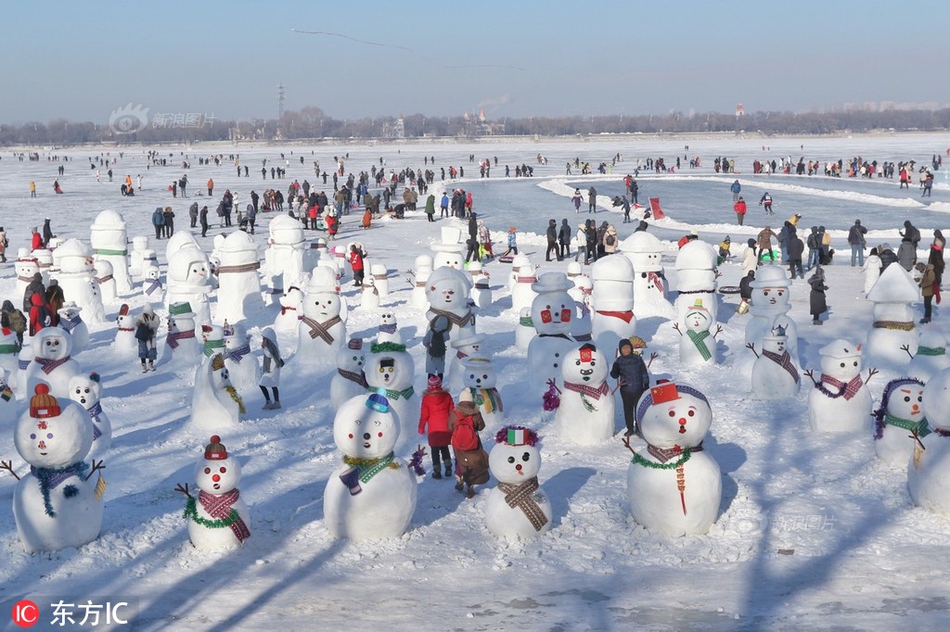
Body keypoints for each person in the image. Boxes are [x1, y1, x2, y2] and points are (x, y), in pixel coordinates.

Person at [450, 389, 490, 499]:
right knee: (471, 464)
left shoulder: (454, 412)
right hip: (473, 442)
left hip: (458, 443)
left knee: (459, 461)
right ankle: (470, 487)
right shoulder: (476, 412)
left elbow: (449, 426)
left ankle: (459, 478)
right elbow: (481, 426)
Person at [610, 338, 651, 437]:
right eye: (624, 348)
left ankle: (638, 428)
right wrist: (615, 369)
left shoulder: (637, 359)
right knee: (628, 410)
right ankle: (630, 429)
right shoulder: (619, 361)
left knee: (638, 409)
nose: (626, 350)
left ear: (631, 348)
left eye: (628, 347)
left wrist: (646, 384)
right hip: (626, 390)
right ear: (620, 350)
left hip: (638, 389)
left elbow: (644, 372)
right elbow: (614, 376)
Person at [418, 375, 455, 479]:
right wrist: (453, 424)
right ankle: (448, 468)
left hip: (433, 429)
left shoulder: (426, 398)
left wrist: (421, 427)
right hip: (445, 427)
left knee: (434, 450)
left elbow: (424, 415)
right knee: (444, 447)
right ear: (440, 384)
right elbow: (452, 411)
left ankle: (437, 471)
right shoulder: (447, 396)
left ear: (429, 386)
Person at [259, 327, 284, 409]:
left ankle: (270, 402)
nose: (263, 340)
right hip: (272, 368)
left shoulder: (271, 346)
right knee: (273, 385)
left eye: (264, 338)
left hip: (272, 369)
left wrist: (264, 347)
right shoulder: (273, 343)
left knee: (263, 384)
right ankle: (275, 402)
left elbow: (269, 354)